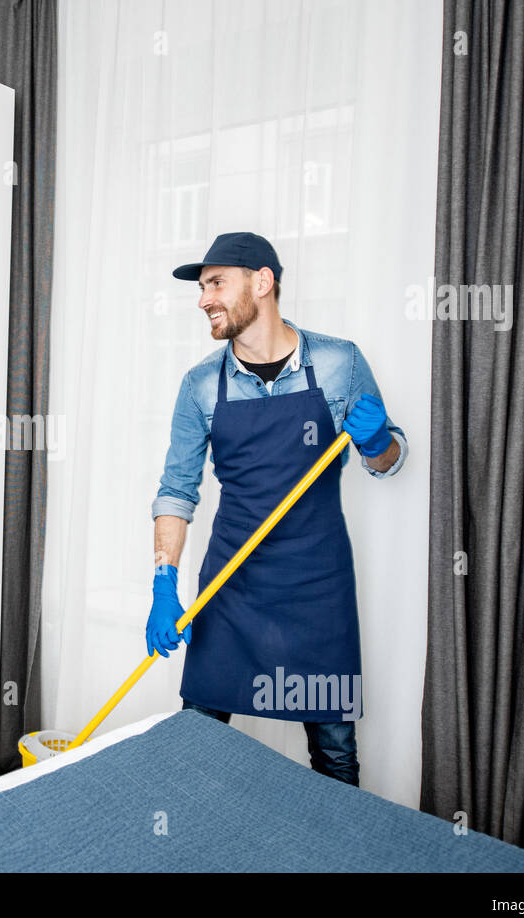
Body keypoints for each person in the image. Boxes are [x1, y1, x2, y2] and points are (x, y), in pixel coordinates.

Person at [146, 232, 407, 787]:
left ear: (262, 282)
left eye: (215, 283)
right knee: (194, 742)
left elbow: (389, 459)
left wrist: (377, 439)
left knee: (335, 756)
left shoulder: (338, 362)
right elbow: (176, 489)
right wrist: (163, 582)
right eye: (201, 287)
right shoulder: (200, 386)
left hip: (318, 586)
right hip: (231, 586)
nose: (203, 299)